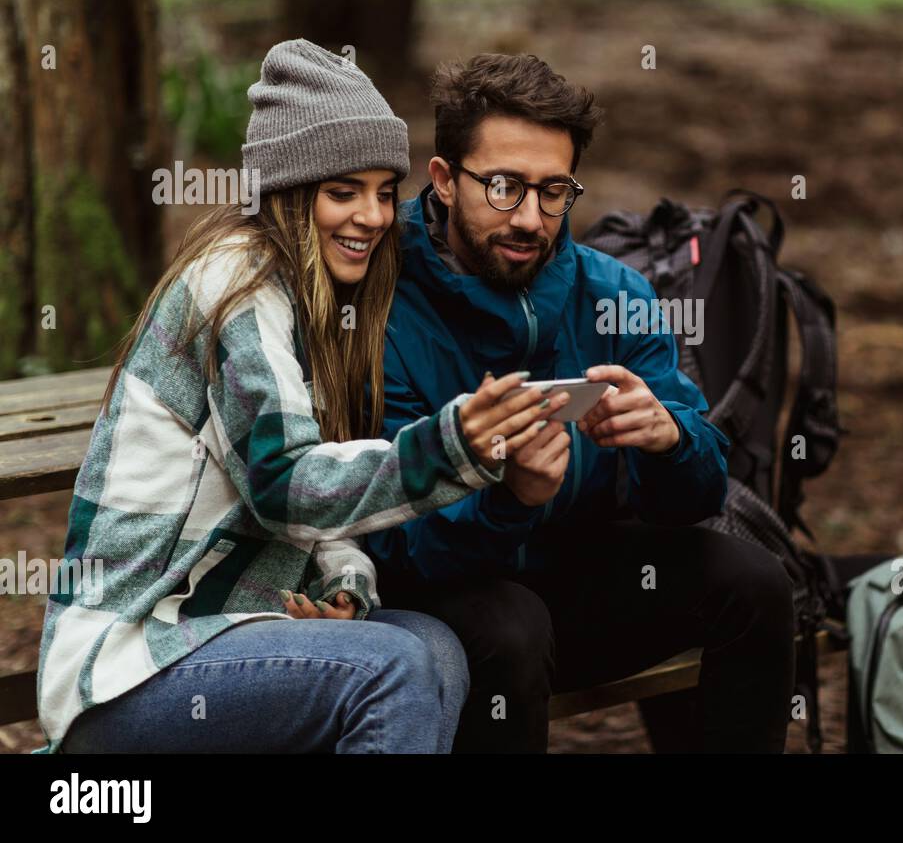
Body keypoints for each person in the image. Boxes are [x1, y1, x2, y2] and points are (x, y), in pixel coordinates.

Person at [36, 39, 561, 754]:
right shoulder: (237, 286)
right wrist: (452, 446)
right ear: (285, 193)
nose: (374, 217)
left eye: (383, 191)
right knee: (393, 670)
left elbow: (316, 510)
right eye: (342, 191)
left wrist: (346, 586)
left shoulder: (319, 303)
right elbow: (286, 485)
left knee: (435, 647)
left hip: (226, 632)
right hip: (128, 667)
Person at [367, 53, 796, 752]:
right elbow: (389, 536)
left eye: (555, 190)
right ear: (443, 181)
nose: (530, 219)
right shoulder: (380, 302)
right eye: (503, 187)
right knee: (510, 628)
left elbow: (697, 494)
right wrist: (509, 499)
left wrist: (670, 443)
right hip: (439, 593)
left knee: (751, 584)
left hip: (577, 578)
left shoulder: (617, 295)